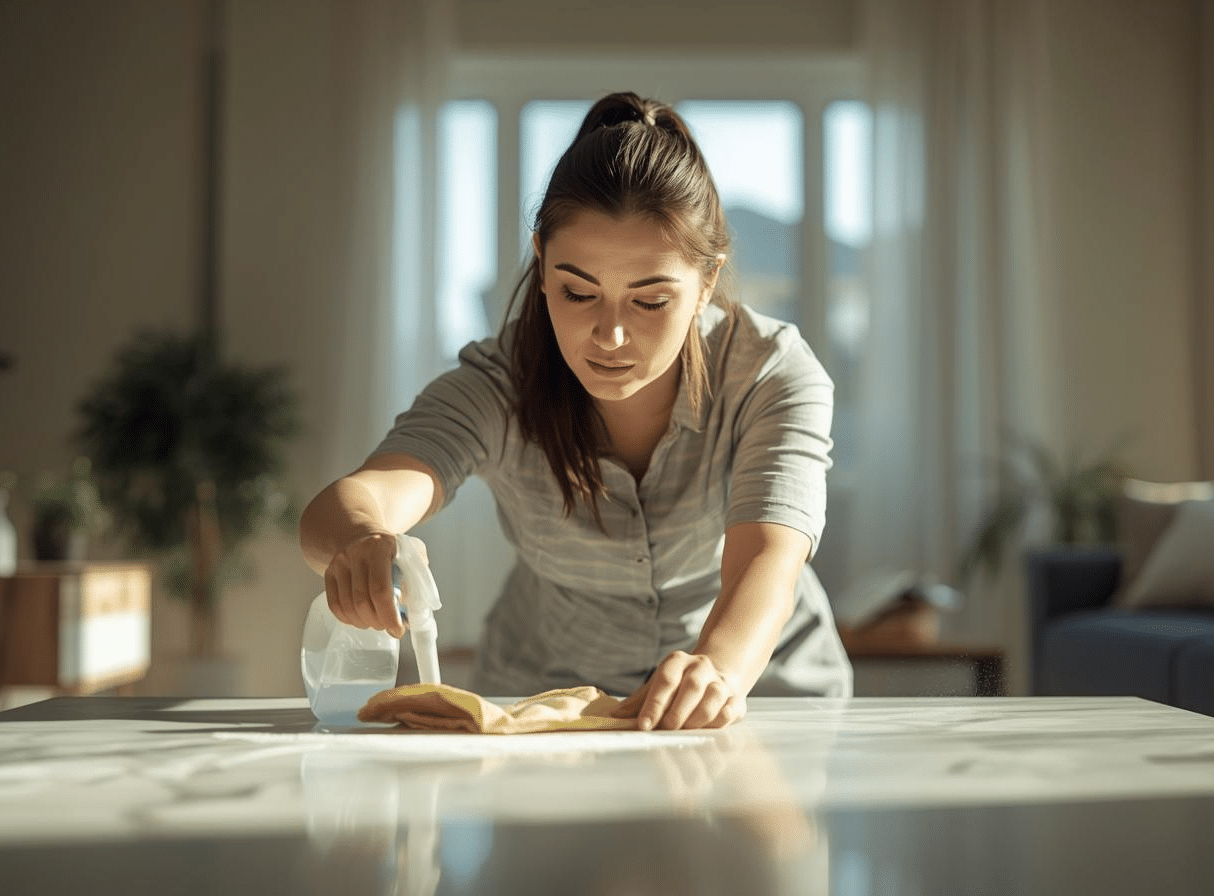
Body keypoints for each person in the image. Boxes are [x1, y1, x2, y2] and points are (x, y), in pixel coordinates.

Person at [300, 91, 852, 731]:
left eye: (650, 301)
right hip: (539, 695)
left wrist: (718, 668)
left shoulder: (770, 372)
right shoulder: (501, 382)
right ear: (542, 262)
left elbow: (768, 558)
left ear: (706, 282)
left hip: (758, 685)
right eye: (578, 291)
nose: (609, 335)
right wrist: (362, 541)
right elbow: (353, 501)